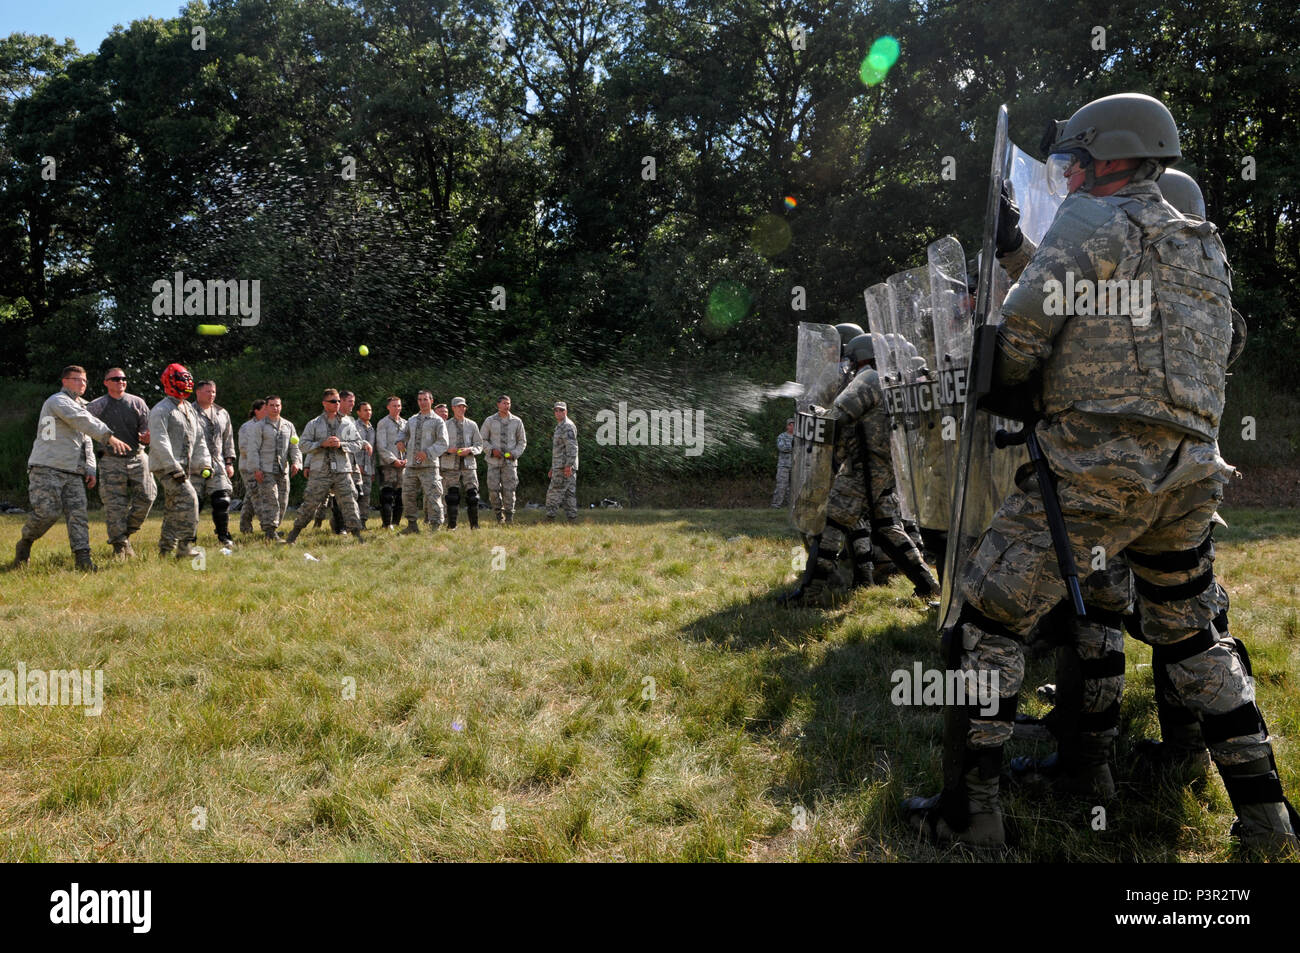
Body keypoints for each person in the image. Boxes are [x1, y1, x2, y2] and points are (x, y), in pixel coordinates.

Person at [902, 92, 1298, 851]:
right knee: (1192, 639)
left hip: (1097, 469)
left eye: (1079, 162)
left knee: (985, 618)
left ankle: (970, 816)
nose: (1072, 178)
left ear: (1112, 158)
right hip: (1188, 478)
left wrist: (1003, 373)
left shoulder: (1091, 218)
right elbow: (1128, 319)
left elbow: (1022, 333)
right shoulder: (1202, 246)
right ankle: (1267, 822)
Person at [782, 334, 940, 605]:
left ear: (862, 357)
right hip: (887, 468)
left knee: (830, 523)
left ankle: (808, 595)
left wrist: (816, 411)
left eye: (852, 359)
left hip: (862, 469)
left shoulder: (869, 379)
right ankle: (928, 586)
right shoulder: (900, 382)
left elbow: (839, 418)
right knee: (887, 527)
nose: (849, 365)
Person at [15, 365, 131, 570]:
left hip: (73, 471)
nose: (82, 383)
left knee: (79, 515)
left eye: (84, 380)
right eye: (77, 379)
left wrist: (91, 468)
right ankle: (25, 542)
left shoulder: (82, 406)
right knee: (47, 513)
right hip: (46, 467)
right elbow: (83, 421)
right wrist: (109, 437)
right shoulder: (57, 401)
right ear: (65, 381)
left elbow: (86, 439)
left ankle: (83, 559)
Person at [86, 367, 156, 558]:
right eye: (116, 379)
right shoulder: (97, 405)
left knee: (148, 496)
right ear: (106, 382)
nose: (121, 381)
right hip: (110, 460)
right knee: (115, 505)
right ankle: (120, 546)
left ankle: (124, 534)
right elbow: (83, 425)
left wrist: (147, 438)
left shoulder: (137, 402)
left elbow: (146, 432)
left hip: (137, 456)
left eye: (123, 378)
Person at [148, 363, 211, 559]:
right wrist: (172, 466)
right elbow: (159, 440)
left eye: (187, 379)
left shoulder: (189, 410)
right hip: (166, 467)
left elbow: (199, 438)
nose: (186, 383)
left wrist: (205, 463)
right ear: (171, 382)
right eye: (182, 379)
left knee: (174, 507)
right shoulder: (161, 410)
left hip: (183, 467)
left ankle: (165, 550)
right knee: (190, 499)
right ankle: (185, 548)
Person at [285, 389, 365, 544]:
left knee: (350, 502)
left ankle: (357, 536)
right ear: (324, 403)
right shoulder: (314, 423)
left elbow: (358, 443)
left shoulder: (348, 423)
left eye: (338, 401)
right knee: (310, 503)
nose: (337, 404)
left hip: (342, 470)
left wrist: (341, 444)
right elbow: (303, 445)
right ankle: (293, 535)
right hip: (320, 471)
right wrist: (321, 444)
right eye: (333, 401)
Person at [191, 380, 237, 547]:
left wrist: (229, 461)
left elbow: (228, 438)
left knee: (222, 499)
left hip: (217, 462)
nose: (211, 395)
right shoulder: (188, 411)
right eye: (207, 391)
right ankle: (190, 538)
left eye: (213, 392)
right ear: (197, 392)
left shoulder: (221, 413)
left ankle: (224, 536)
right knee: (193, 502)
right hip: (194, 464)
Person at [250, 395, 301, 539]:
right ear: (266, 407)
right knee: (271, 499)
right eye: (271, 405)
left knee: (282, 501)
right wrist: (256, 468)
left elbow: (294, 446)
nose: (275, 408)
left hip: (282, 470)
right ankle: (270, 531)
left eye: (277, 405)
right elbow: (253, 449)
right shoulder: (259, 426)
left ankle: (273, 529)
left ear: (281, 406)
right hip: (265, 469)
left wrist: (296, 462)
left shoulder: (288, 425)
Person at [400, 389, 448, 534]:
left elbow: (443, 443)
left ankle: (435, 526)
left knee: (433, 496)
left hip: (429, 466)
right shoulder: (412, 420)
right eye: (420, 399)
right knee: (407, 496)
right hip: (411, 466)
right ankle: (411, 525)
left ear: (431, 401)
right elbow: (403, 432)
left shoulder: (437, 421)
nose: (422, 402)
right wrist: (400, 441)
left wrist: (427, 453)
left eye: (425, 399)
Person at [480, 395, 526, 524]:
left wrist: (515, 453)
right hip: (493, 462)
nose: (507, 405)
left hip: (510, 463)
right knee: (493, 489)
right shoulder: (490, 421)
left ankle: (509, 518)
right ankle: (498, 516)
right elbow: (482, 439)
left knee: (509, 490)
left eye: (509, 403)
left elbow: (522, 441)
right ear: (498, 405)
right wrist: (491, 450)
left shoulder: (517, 421)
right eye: (504, 403)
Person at [440, 396, 482, 530]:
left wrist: (470, 450)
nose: (461, 409)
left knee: (473, 496)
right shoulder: (444, 426)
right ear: (453, 408)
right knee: (452, 496)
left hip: (468, 465)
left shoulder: (472, 424)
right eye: (458, 406)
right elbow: (438, 444)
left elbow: (479, 444)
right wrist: (448, 450)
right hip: (450, 465)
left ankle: (474, 526)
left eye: (463, 406)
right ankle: (452, 525)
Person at [375, 395, 407, 529]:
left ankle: (396, 522)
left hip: (403, 465)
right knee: (387, 495)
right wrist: (393, 460)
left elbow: (410, 444)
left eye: (399, 405)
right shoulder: (383, 423)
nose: (397, 408)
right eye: (394, 406)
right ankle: (386, 524)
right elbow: (381, 446)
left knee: (400, 495)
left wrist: (407, 459)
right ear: (388, 407)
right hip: (388, 464)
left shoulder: (406, 423)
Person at [237, 399, 267, 536]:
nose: (268, 412)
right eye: (264, 409)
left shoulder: (267, 426)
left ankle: (244, 526)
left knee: (251, 497)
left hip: (262, 467)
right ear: (256, 411)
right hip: (248, 467)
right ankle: (268, 528)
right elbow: (243, 448)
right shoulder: (246, 427)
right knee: (257, 496)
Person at [545, 401, 579, 521]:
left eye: (561, 410)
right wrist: (552, 467)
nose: (558, 412)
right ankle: (572, 519)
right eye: (556, 410)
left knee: (554, 492)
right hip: (560, 466)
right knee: (569, 494)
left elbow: (572, 447)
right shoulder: (560, 426)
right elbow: (560, 450)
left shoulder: (567, 426)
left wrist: (568, 465)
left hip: (564, 467)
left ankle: (549, 518)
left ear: (566, 411)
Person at [353, 399, 376, 529]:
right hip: (356, 468)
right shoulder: (353, 426)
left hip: (368, 469)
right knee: (355, 495)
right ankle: (350, 522)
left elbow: (373, 451)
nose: (368, 412)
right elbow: (353, 448)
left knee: (366, 496)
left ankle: (363, 522)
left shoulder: (372, 429)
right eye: (365, 410)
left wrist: (372, 470)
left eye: (370, 410)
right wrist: (358, 465)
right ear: (358, 412)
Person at [771, 418, 794, 508]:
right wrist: (793, 447)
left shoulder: (799, 437)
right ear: (787, 426)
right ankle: (776, 505)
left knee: (792, 488)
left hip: (795, 466)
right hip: (784, 466)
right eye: (790, 424)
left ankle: (791, 506)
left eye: (794, 424)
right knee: (781, 486)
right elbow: (782, 448)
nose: (792, 426)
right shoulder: (782, 436)